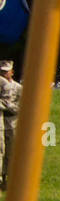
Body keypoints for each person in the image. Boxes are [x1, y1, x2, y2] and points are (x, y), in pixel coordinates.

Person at [0, 60, 19, 189]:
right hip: (1, 121)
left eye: (6, 71)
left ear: (12, 72)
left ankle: (9, 178)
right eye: (2, 71)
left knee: (11, 152)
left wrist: (11, 107)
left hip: (12, 122)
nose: (4, 73)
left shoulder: (18, 87)